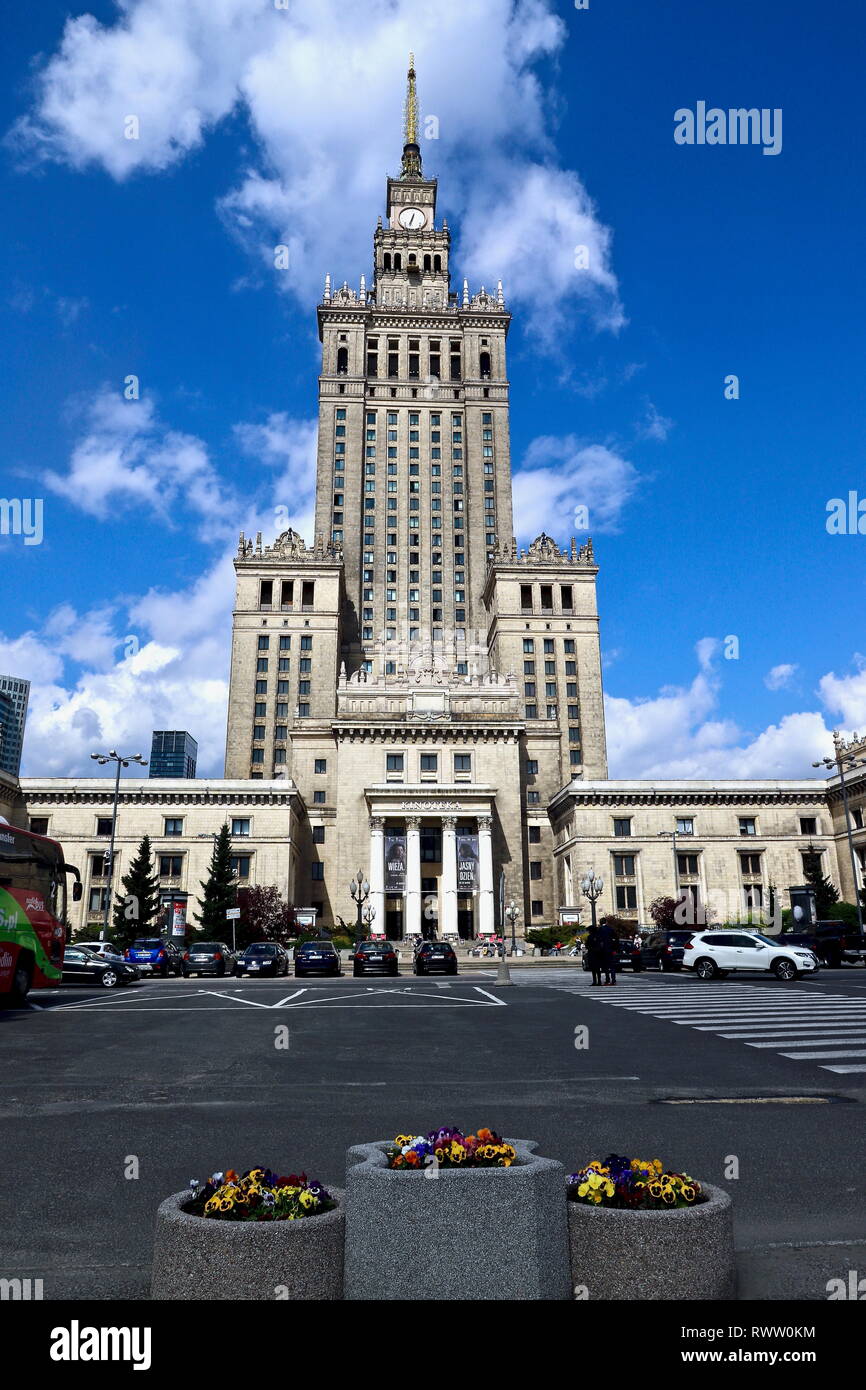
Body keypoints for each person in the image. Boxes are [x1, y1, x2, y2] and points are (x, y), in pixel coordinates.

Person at [598, 921, 618, 987]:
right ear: (606, 922)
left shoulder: (600, 929)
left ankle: (607, 979)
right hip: (611, 950)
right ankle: (613, 980)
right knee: (612, 966)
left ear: (600, 922)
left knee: (606, 966)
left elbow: (599, 940)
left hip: (604, 951)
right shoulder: (610, 929)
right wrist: (614, 948)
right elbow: (616, 938)